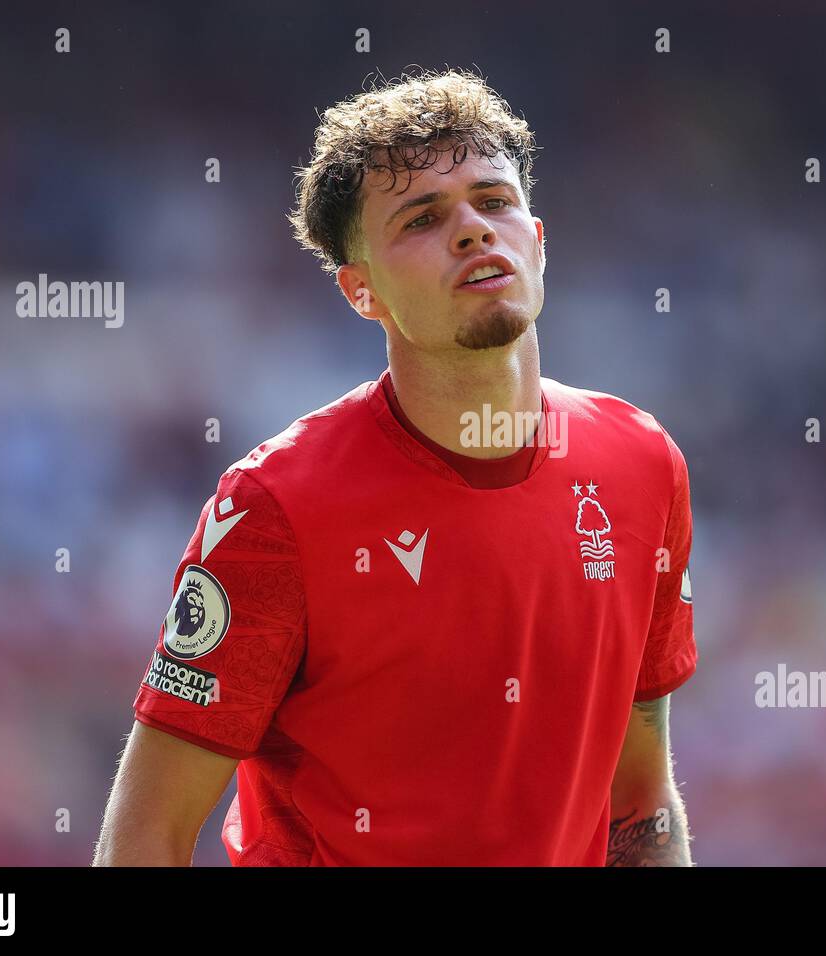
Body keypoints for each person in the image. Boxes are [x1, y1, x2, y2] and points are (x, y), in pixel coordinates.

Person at [94, 67, 698, 866]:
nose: (474, 231)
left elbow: (639, 798)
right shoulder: (277, 508)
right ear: (361, 291)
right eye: (422, 218)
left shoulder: (641, 465)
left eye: (494, 201)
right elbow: (148, 835)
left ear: (539, 241)